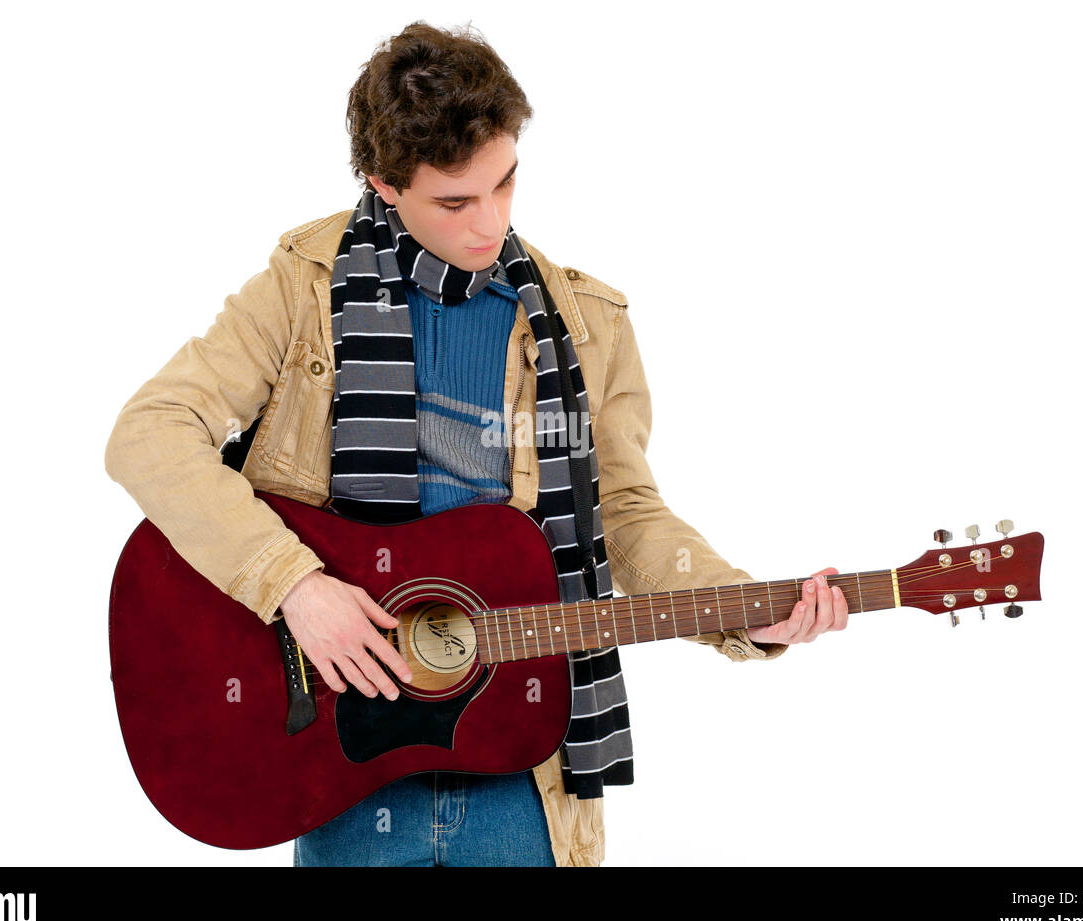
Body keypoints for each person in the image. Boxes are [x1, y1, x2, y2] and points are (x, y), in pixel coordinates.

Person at [104, 21, 848, 868]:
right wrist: (295, 586)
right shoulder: (303, 289)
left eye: (505, 184)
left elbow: (625, 516)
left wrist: (746, 608)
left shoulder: (585, 326)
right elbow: (150, 433)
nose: (489, 224)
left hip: (519, 763)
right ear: (385, 185)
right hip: (340, 753)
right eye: (454, 203)